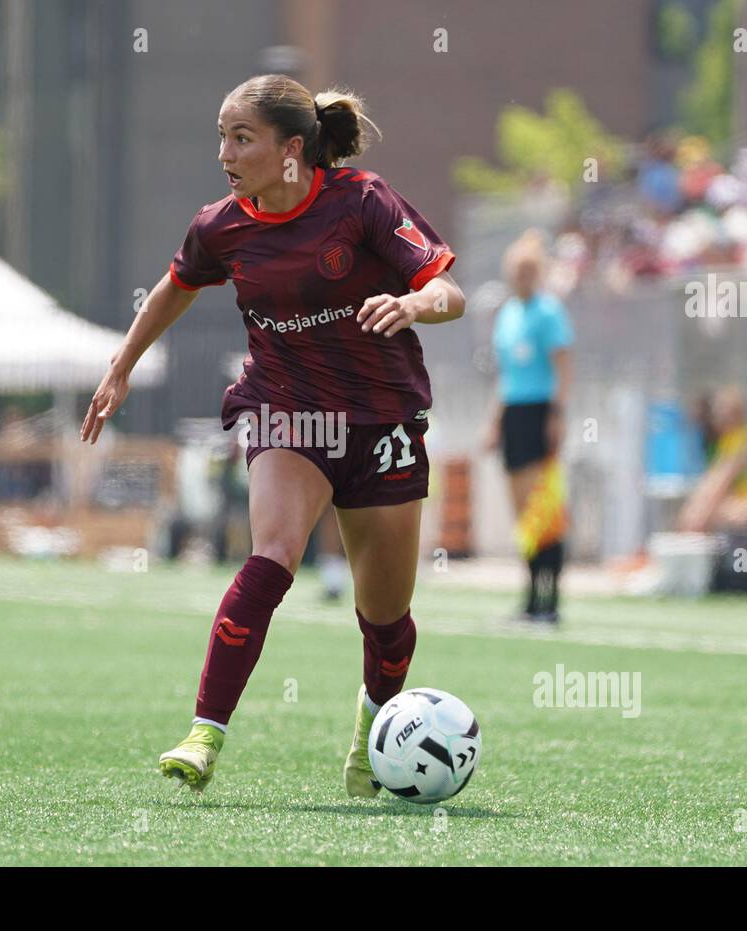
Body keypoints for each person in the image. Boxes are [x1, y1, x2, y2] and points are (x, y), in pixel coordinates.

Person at [81, 74, 463, 795]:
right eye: (221, 137)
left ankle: (372, 734)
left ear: (293, 150)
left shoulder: (363, 201)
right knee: (274, 555)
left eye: (241, 137)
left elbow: (451, 293)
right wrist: (120, 367)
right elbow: (175, 286)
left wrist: (415, 304)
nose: (225, 152)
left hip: (381, 419)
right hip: (286, 411)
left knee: (385, 620)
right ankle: (204, 734)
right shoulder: (221, 225)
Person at [481, 231, 573, 625]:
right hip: (514, 414)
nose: (522, 275)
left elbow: (564, 368)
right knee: (522, 511)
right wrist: (494, 421)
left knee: (542, 507)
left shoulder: (549, 312)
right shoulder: (508, 314)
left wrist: (557, 414)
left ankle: (550, 598)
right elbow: (505, 376)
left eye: (529, 269)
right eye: (517, 268)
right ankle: (531, 596)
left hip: (538, 411)